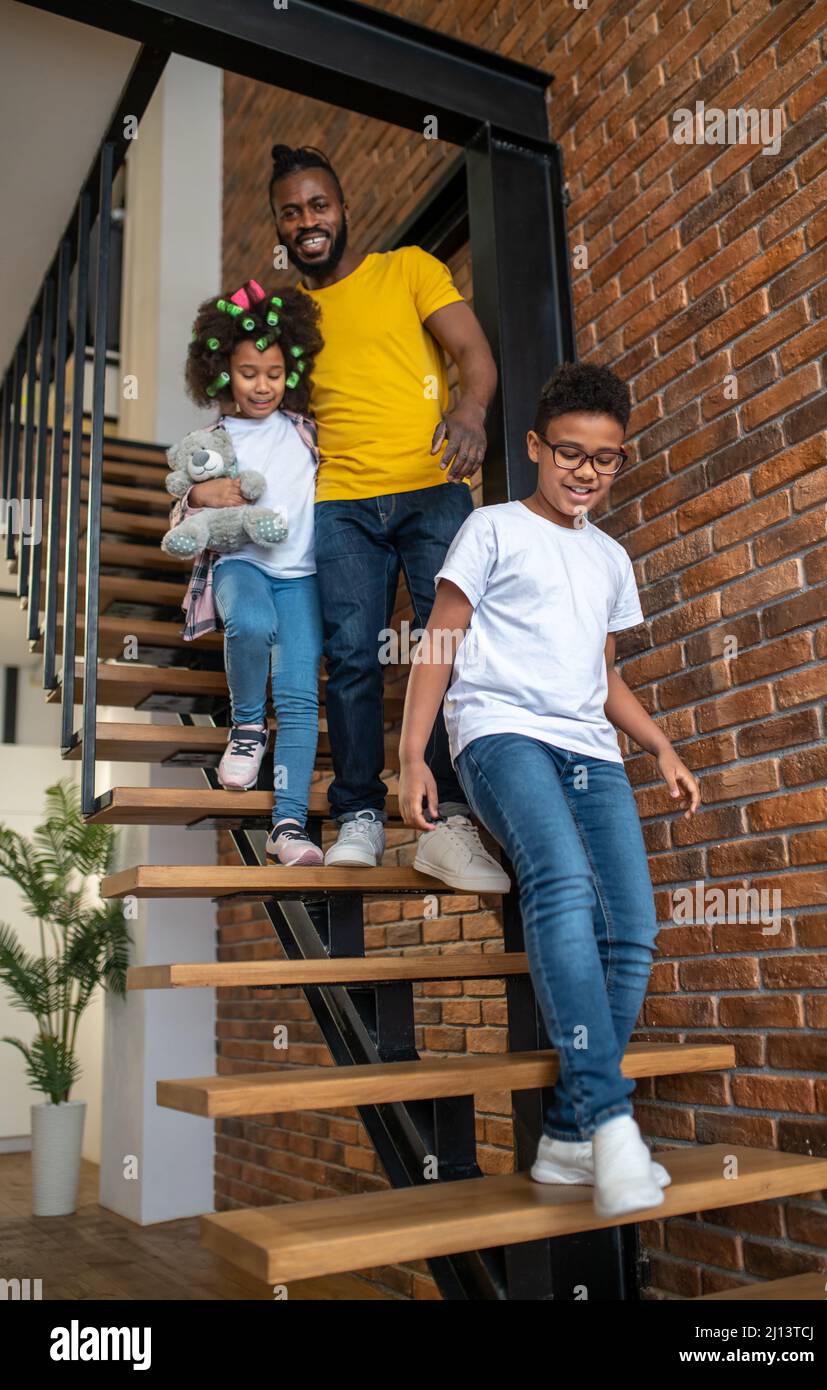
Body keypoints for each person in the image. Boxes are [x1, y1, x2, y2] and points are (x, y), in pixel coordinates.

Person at [397, 361, 701, 1219]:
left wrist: (661, 746)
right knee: (561, 882)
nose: (585, 473)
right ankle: (610, 1126)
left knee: (634, 929)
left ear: (619, 461)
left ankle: (567, 1138)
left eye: (604, 460)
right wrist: (415, 756)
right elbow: (440, 640)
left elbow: (603, 678)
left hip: (590, 748)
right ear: (534, 447)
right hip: (499, 735)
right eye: (569, 453)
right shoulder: (491, 529)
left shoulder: (611, 558)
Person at [269, 143, 509, 892]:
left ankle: (451, 822)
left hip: (431, 484)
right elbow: (289, 412)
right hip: (340, 502)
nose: (308, 220)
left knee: (450, 650)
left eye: (319, 205)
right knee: (351, 657)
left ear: (342, 210)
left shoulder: (407, 269)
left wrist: (470, 410)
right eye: (292, 212)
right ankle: (360, 816)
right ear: (281, 230)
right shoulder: (292, 316)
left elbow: (475, 355)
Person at [166, 279, 327, 866]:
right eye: (248, 372)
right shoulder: (212, 440)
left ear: (292, 371)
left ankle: (289, 826)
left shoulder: (308, 431)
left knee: (301, 698)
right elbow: (180, 508)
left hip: (304, 575)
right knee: (251, 626)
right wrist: (204, 496)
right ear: (221, 373)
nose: (262, 385)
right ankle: (248, 727)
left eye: (275, 372)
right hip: (240, 565)